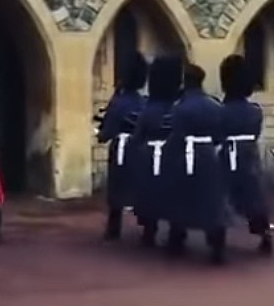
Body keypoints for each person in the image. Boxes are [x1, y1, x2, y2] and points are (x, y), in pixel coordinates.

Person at [164, 63, 227, 263]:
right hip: (208, 154)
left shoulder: (180, 107)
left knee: (181, 197)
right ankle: (216, 243)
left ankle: (177, 240)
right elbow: (220, 135)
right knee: (211, 199)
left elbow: (176, 135)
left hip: (186, 154)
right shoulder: (215, 105)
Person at [219, 54, 274, 255]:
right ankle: (265, 232)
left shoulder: (221, 110)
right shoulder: (254, 111)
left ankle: (219, 235)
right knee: (254, 196)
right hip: (249, 154)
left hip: (227, 154)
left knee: (222, 194)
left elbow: (218, 133)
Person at [131, 55, 183, 247]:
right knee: (175, 194)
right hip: (174, 154)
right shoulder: (179, 107)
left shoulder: (148, 108)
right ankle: (176, 234)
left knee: (149, 192)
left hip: (150, 155)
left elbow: (138, 136)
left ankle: (149, 231)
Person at [96, 52, 147, 240]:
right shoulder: (143, 101)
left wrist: (101, 134)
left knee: (117, 189)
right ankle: (148, 228)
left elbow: (107, 131)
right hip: (140, 146)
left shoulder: (119, 102)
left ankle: (113, 229)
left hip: (122, 147)